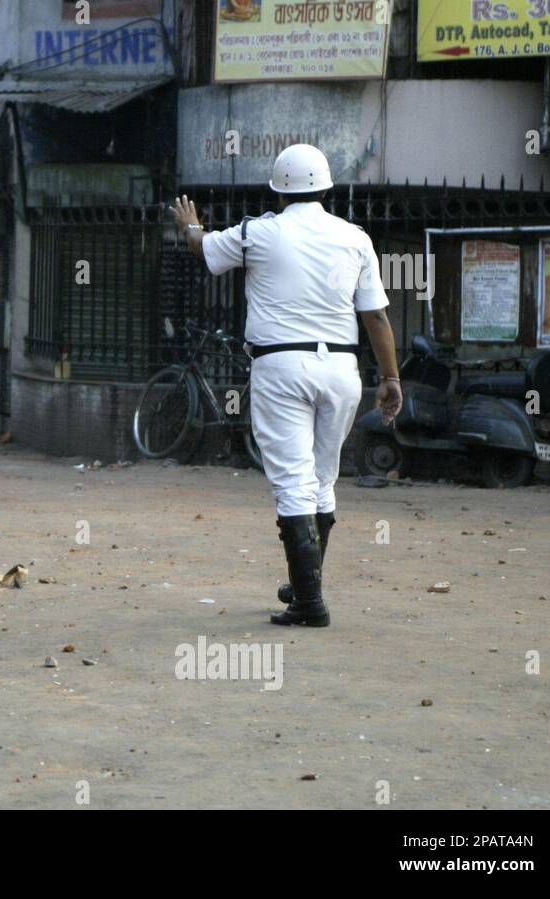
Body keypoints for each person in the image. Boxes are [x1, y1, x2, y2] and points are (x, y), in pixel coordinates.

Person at [171, 143, 403, 628]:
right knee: (322, 479)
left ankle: (308, 604)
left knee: (293, 483)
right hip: (342, 370)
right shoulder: (355, 237)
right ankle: (304, 583)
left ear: (278, 191)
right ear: (325, 189)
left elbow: (204, 247)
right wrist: (391, 378)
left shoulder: (260, 232)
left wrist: (190, 225)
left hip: (282, 368)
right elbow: (376, 316)